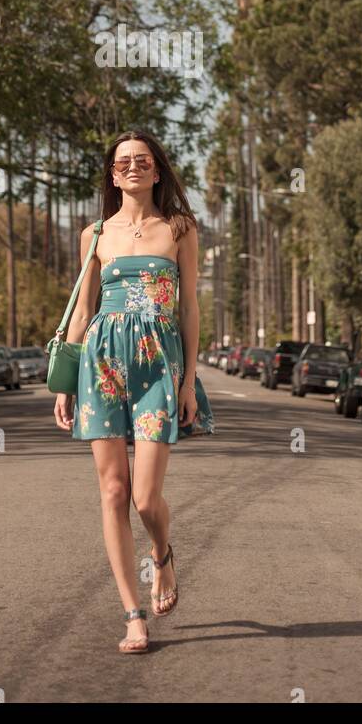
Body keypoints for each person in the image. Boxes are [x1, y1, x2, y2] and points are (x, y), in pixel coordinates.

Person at [53, 128, 215, 653]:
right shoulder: (94, 234)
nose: (131, 168)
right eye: (122, 161)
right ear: (111, 172)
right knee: (113, 492)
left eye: (141, 160)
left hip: (157, 365)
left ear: (157, 169)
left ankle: (162, 556)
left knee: (146, 498)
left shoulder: (180, 228)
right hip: (101, 365)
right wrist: (64, 383)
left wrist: (189, 380)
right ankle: (132, 614)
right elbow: (82, 309)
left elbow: (188, 308)